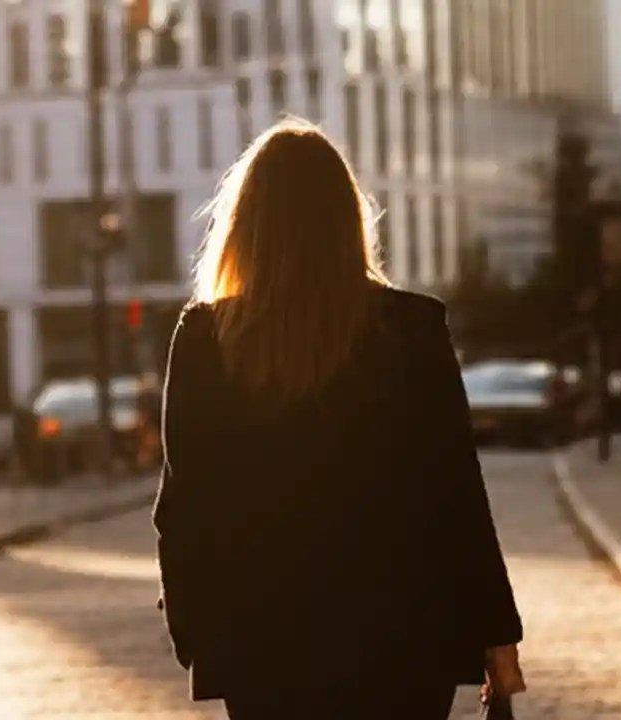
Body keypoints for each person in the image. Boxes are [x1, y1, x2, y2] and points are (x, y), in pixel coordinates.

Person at [154, 119, 526, 720]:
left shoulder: (207, 341)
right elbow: (456, 495)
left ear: (244, 228)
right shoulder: (411, 331)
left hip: (264, 648)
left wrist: (199, 636)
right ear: (347, 221)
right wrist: (496, 636)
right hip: (405, 643)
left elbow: (184, 507)